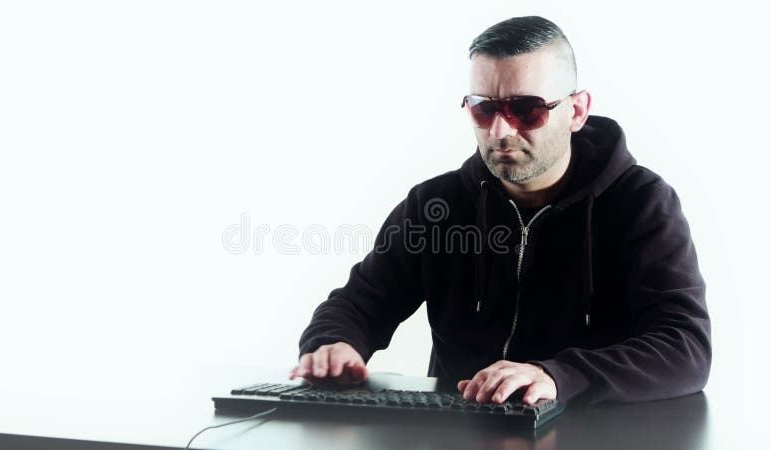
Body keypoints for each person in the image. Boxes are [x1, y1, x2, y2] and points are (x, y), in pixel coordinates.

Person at [290, 16, 711, 406]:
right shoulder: (436, 206)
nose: (499, 130)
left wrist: (558, 376)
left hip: (589, 432)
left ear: (576, 111)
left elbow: (684, 347)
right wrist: (334, 343)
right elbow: (361, 300)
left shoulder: (641, 202)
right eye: (484, 107)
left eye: (525, 109)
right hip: (459, 431)